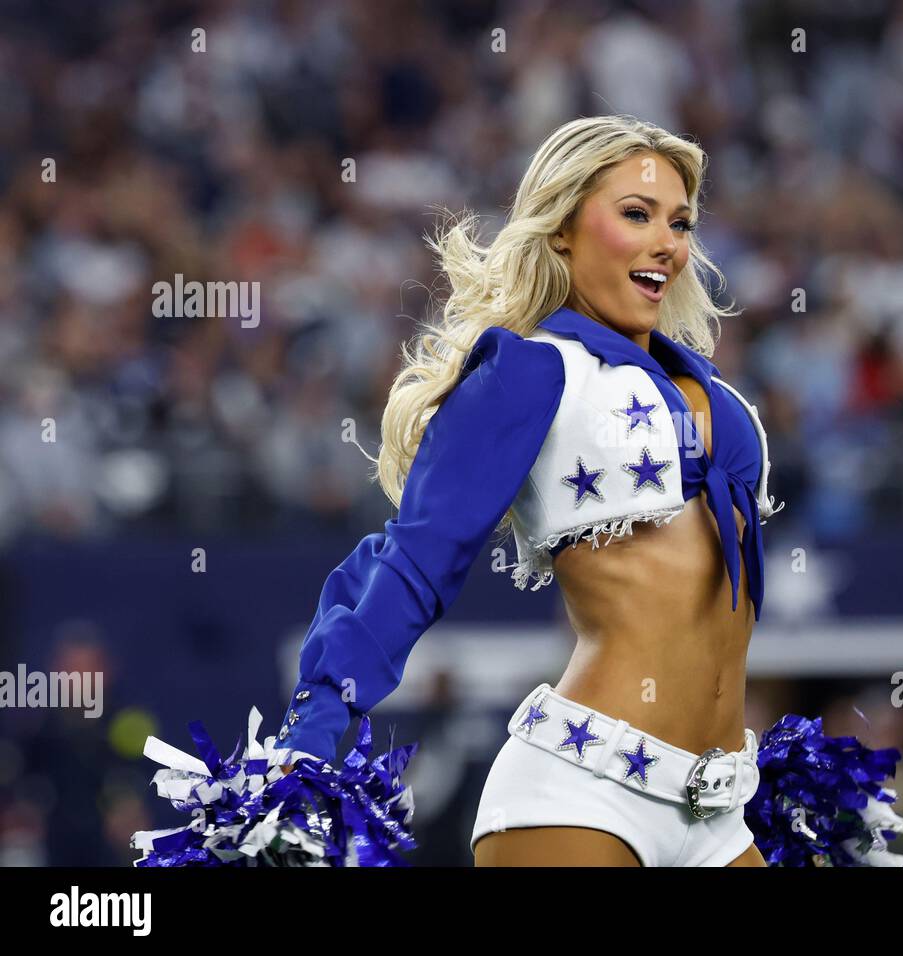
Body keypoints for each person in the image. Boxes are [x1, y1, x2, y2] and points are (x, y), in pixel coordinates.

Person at [274, 115, 784, 867]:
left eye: (679, 222)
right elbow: (412, 560)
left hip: (716, 809)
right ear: (562, 232)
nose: (666, 242)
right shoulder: (530, 371)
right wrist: (313, 732)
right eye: (635, 214)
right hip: (583, 791)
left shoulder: (713, 392)